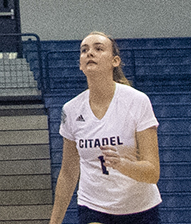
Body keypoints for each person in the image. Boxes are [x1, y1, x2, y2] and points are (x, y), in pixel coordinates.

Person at [47, 33, 161, 224]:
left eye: (98, 49)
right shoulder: (71, 109)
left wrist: (123, 165)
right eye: (84, 50)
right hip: (93, 207)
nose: (90, 53)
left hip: (141, 209)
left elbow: (153, 172)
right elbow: (68, 172)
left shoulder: (137, 101)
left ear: (115, 61)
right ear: (80, 65)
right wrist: (54, 221)